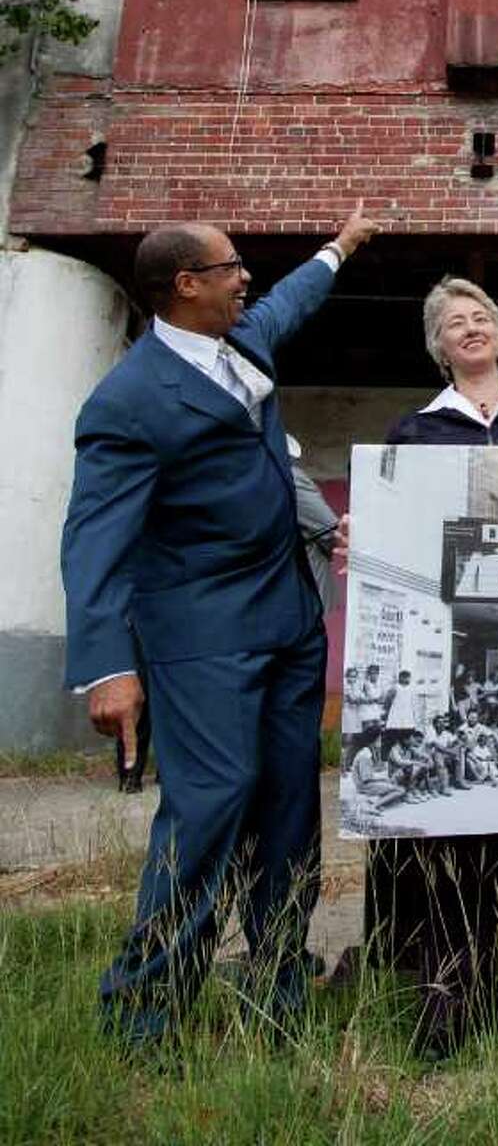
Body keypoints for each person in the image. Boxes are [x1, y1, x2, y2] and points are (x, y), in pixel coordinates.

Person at [61, 204, 379, 1042]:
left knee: (287, 811)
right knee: (208, 810)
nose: (247, 278)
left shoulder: (239, 339)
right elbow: (93, 538)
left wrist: (339, 247)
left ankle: (280, 983)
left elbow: (286, 305)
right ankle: (146, 1009)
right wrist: (106, 666)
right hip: (203, 638)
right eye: (231, 266)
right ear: (186, 285)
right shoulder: (126, 401)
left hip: (290, 623)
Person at [360, 275, 498, 1055]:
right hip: (455, 639)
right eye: (453, 322)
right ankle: (444, 997)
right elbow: (395, 534)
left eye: (481, 315)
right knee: (448, 835)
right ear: (437, 347)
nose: (470, 327)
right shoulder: (414, 434)